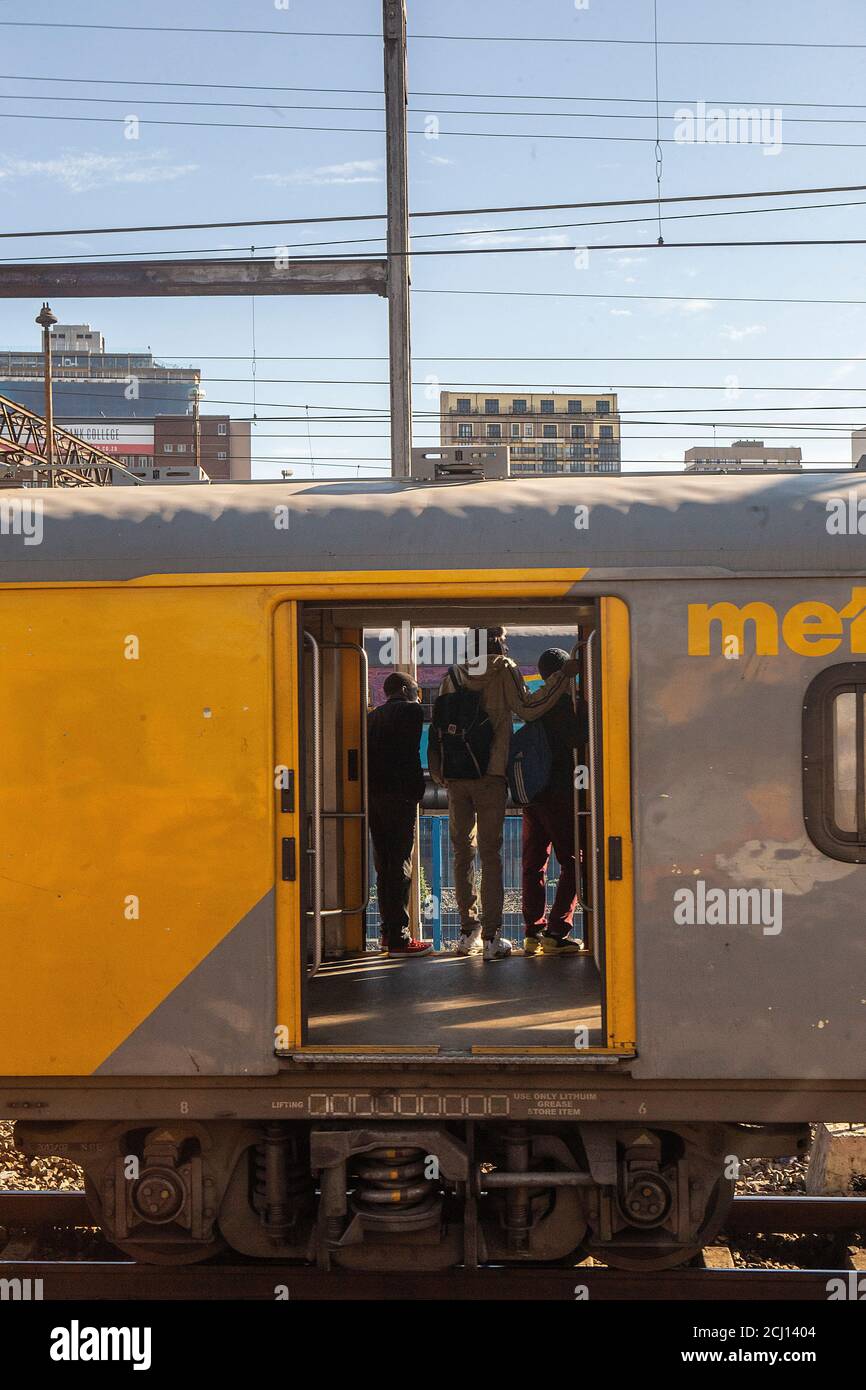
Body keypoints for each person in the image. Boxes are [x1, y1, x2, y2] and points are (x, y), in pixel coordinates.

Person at [429, 627, 577, 961]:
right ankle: (493, 937)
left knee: (461, 852)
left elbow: (438, 725)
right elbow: (528, 707)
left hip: (455, 777)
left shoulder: (452, 675)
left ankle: (468, 931)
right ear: (499, 643)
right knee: (491, 854)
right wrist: (560, 679)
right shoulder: (503, 668)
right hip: (490, 775)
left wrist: (441, 773)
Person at [521, 648, 588, 956]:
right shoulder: (565, 705)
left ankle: (533, 931)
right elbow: (579, 738)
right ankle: (557, 932)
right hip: (559, 794)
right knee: (574, 861)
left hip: (532, 797)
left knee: (534, 864)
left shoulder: (534, 704)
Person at [367, 672, 433, 957]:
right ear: (406, 689)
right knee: (401, 866)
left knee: (384, 867)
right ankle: (399, 939)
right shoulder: (411, 711)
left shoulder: (373, 718)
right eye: (416, 690)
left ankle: (387, 932)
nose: (418, 695)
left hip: (375, 797)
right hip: (401, 797)